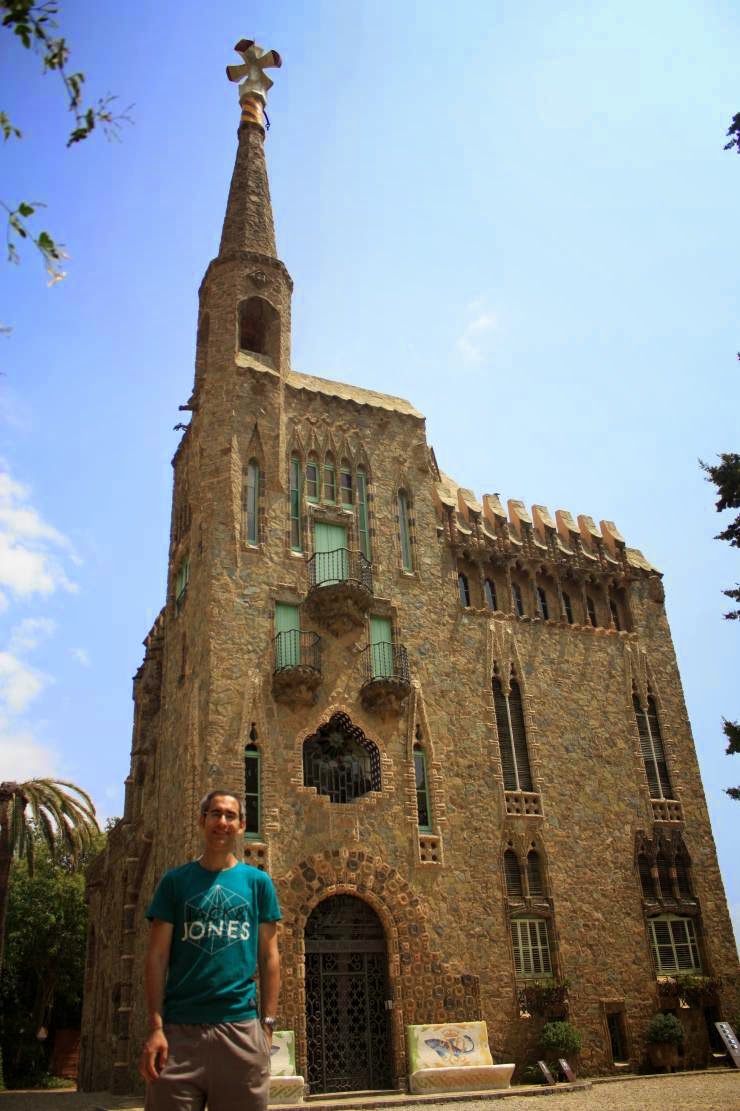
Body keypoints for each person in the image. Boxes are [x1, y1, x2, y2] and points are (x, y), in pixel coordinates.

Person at [139, 790, 281, 1111]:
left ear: (242, 825)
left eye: (230, 816)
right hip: (179, 1034)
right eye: (215, 814)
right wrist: (155, 1028)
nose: (222, 822)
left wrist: (267, 1028)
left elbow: (270, 957)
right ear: (201, 820)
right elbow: (156, 957)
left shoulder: (258, 883)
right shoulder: (175, 882)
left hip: (241, 1030)